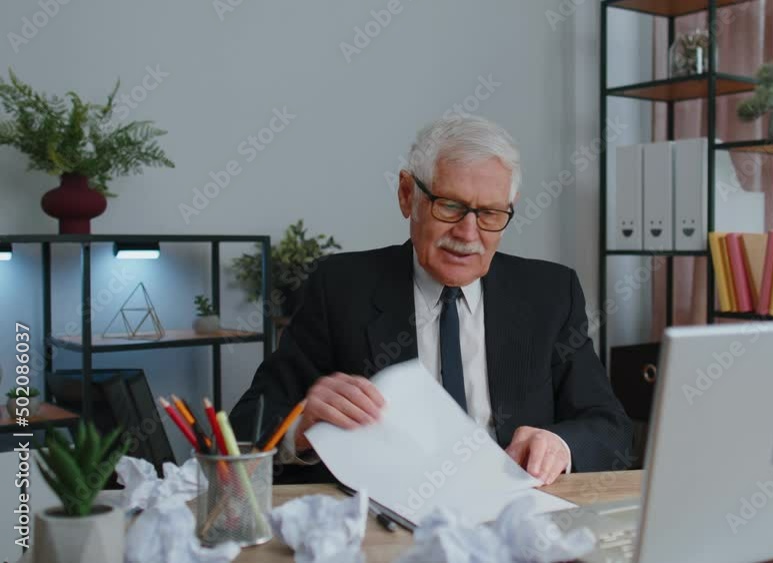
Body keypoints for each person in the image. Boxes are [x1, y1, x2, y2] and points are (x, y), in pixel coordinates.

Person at [230, 116, 631, 485]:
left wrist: (560, 446)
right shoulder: (338, 288)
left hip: (516, 518)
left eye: (490, 213)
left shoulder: (550, 293)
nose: (468, 233)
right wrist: (300, 427)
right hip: (387, 524)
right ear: (408, 195)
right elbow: (247, 425)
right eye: (451, 206)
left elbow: (610, 428)